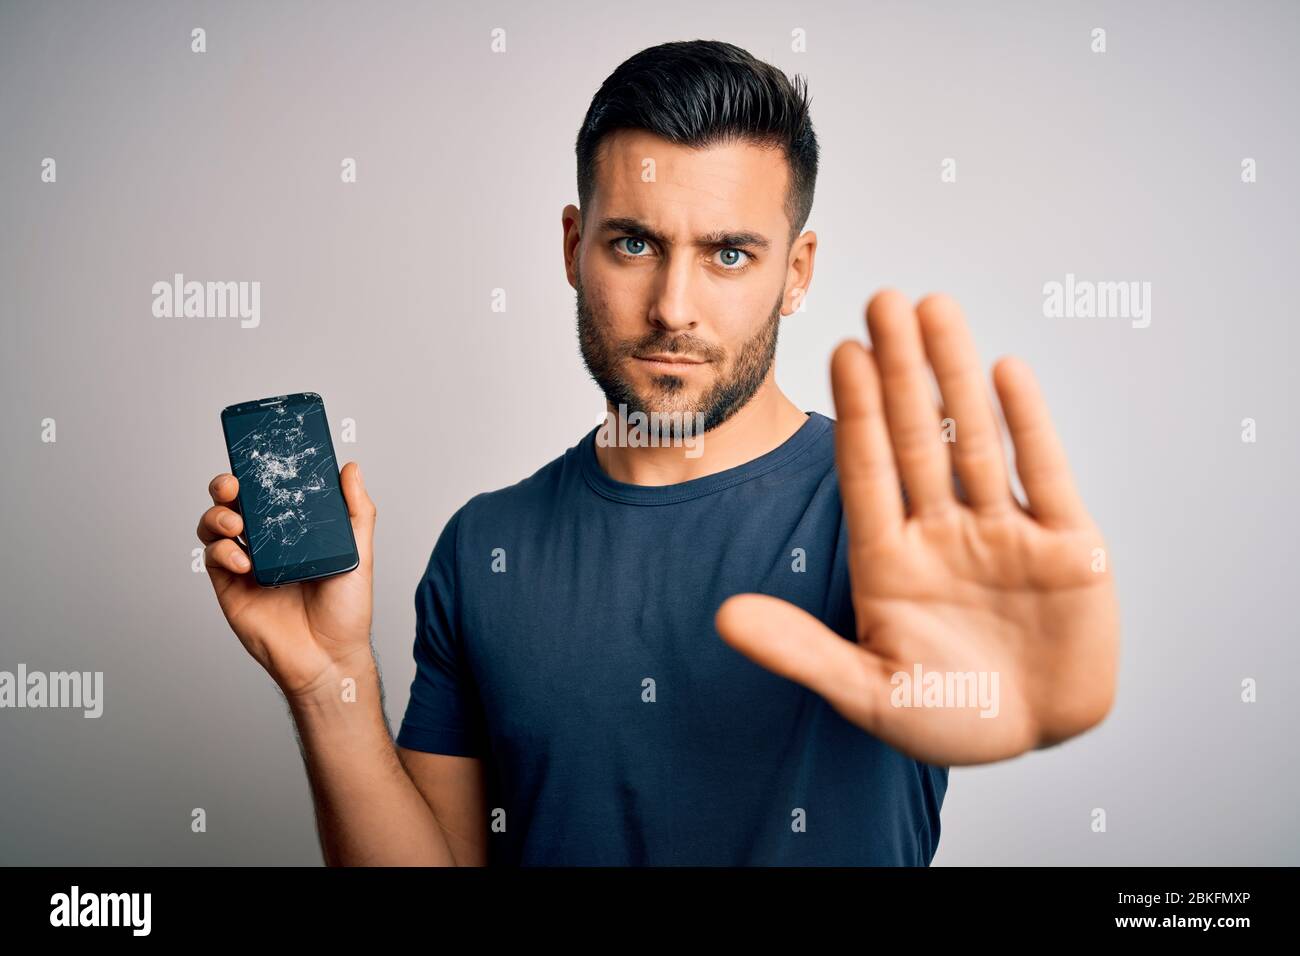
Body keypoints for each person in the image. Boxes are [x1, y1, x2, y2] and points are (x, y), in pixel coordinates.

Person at [196, 40, 1119, 865]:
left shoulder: (910, 527)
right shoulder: (484, 548)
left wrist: (1021, 695)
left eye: (728, 254)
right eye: (634, 242)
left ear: (795, 273)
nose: (674, 304)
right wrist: (330, 684)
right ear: (573, 246)